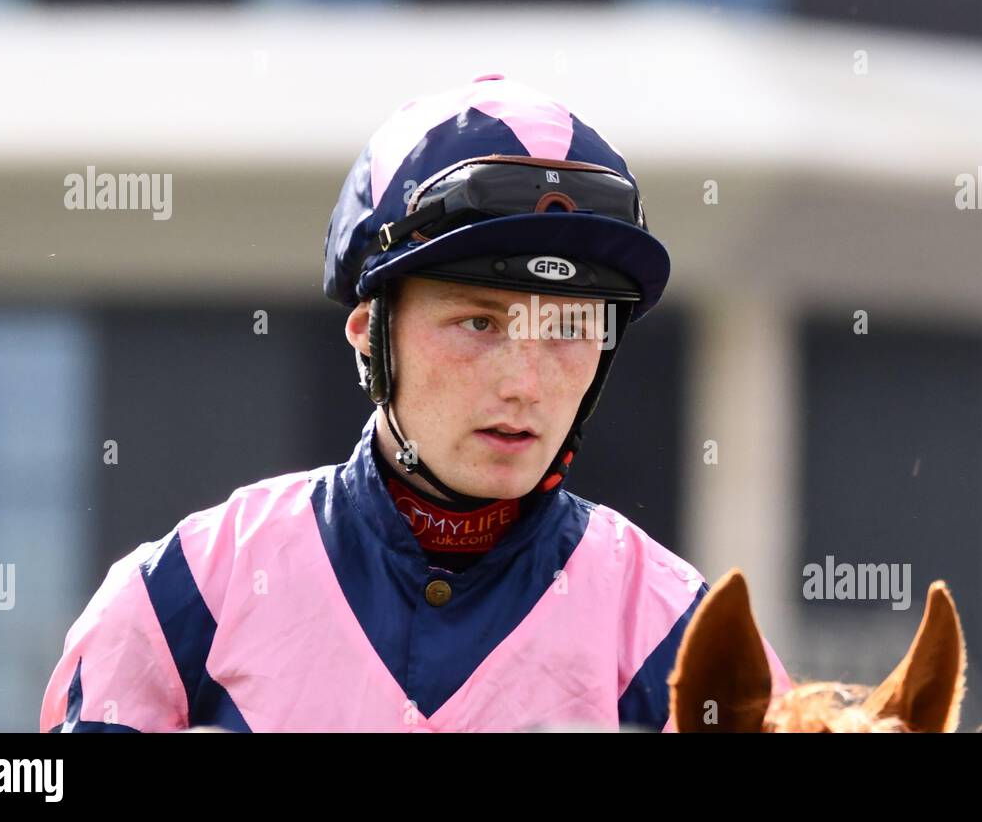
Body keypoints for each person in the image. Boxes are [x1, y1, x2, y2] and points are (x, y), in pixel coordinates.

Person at [39, 74, 791, 732]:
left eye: (568, 326)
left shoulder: (678, 628)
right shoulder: (189, 589)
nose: (524, 383)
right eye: (478, 322)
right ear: (370, 333)